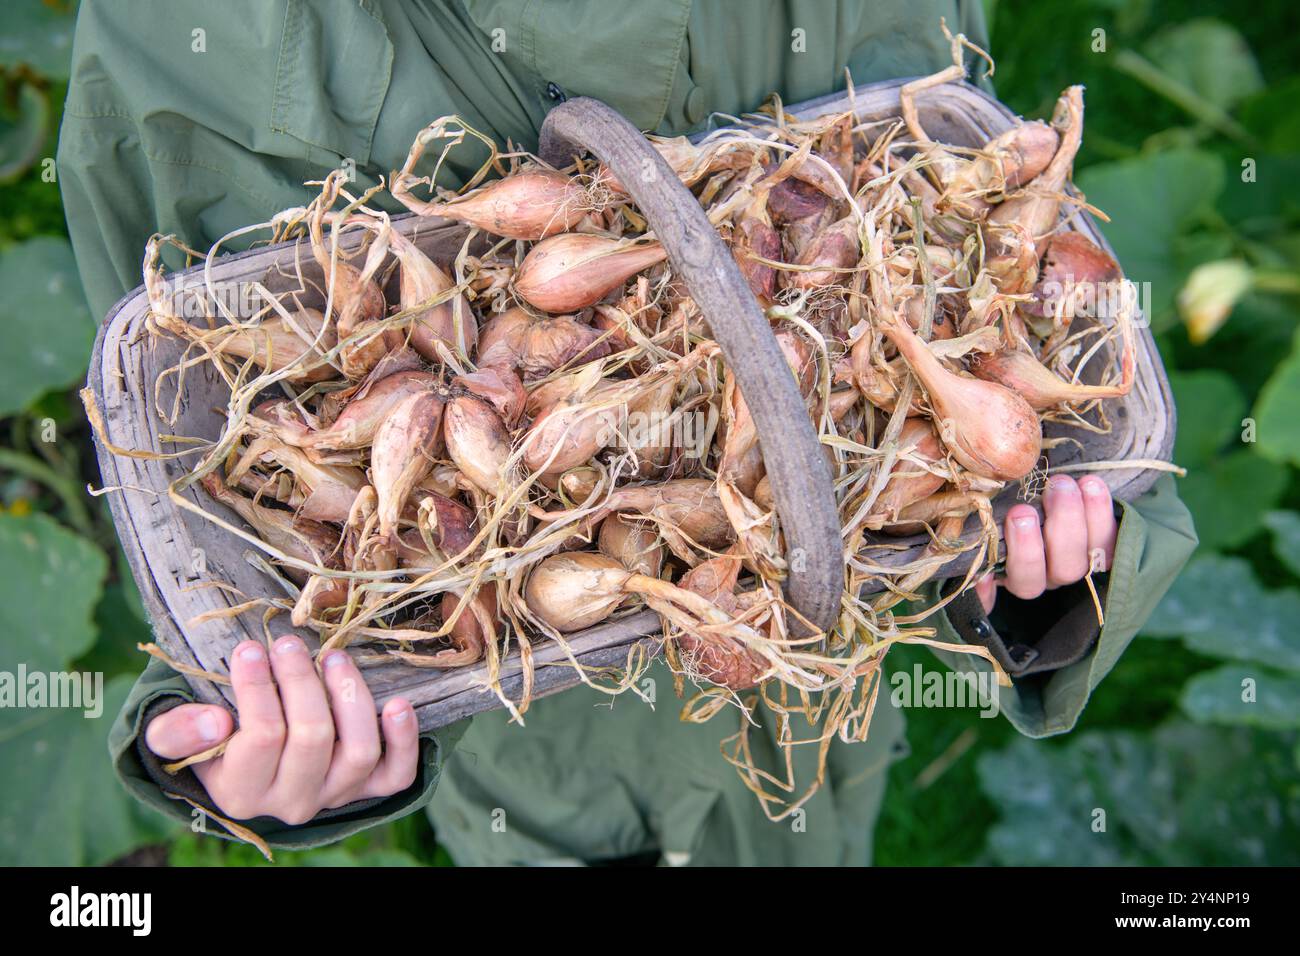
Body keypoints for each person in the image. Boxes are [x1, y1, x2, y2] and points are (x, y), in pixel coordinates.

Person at [60, 0, 1196, 865]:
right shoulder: (187, 28)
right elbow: (185, 442)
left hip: (824, 661)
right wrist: (257, 741)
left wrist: (1041, 584)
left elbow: (967, 227)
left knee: (808, 809)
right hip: (538, 750)